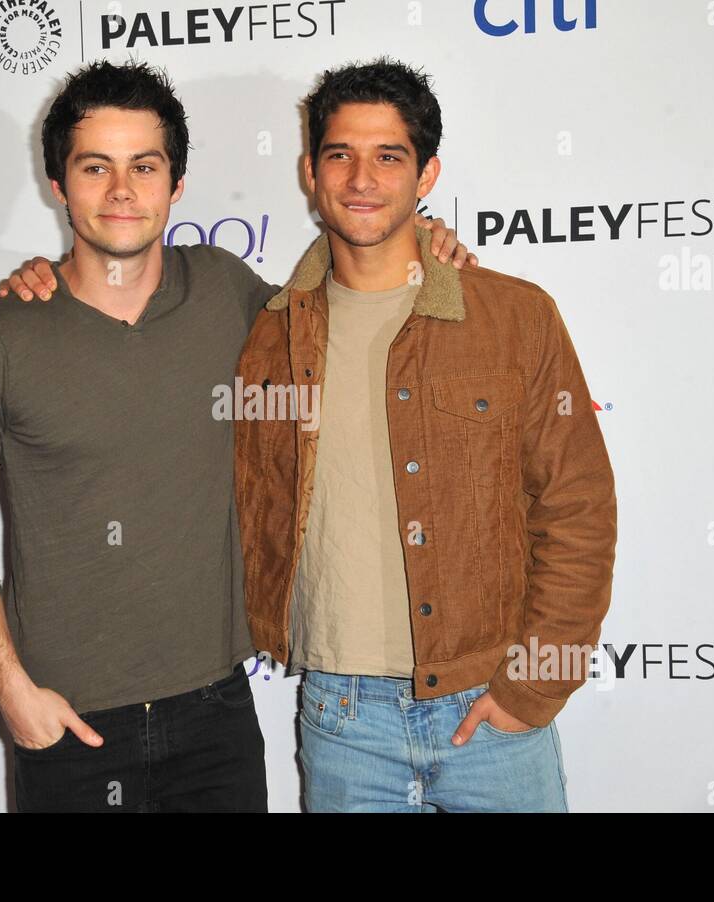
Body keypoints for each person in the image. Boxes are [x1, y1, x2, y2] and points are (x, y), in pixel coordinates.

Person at [0, 59, 473, 813]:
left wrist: (419, 238)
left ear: (176, 184)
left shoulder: (224, 291)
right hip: (66, 721)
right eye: (95, 167)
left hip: (218, 713)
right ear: (58, 183)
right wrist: (10, 688)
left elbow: (336, 308)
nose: (122, 190)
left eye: (144, 166)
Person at [233, 58, 618, 812]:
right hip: (341, 717)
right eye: (340, 155)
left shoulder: (514, 317)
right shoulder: (268, 333)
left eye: (389, 156)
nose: (362, 179)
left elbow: (577, 507)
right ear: (310, 172)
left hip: (491, 706)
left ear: (426, 174)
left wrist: (533, 687)